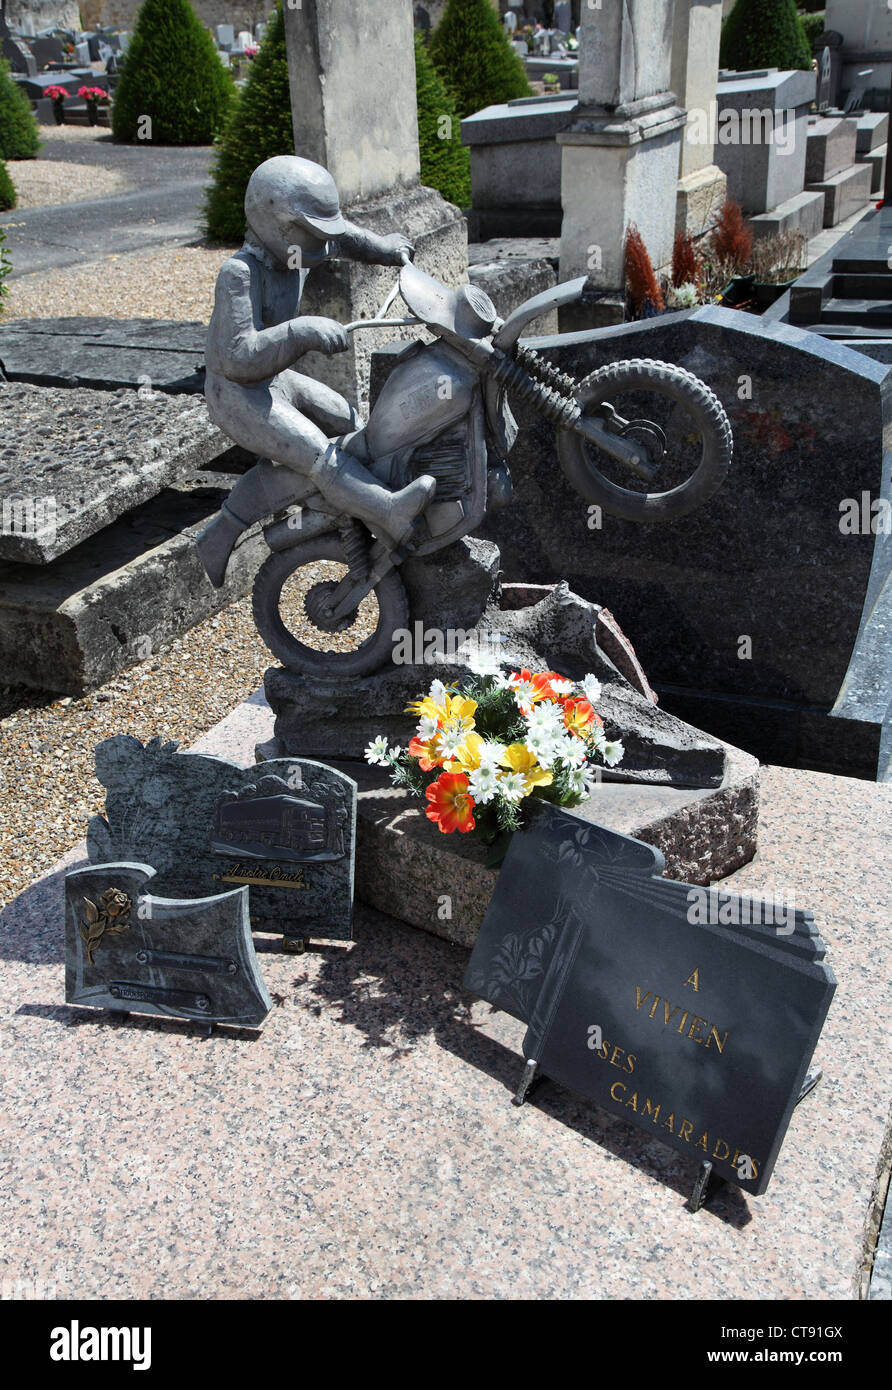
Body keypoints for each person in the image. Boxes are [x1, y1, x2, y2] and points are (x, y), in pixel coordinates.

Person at [198, 155, 436, 587]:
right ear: (276, 224)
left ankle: (228, 529)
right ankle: (388, 512)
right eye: (313, 236)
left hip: (275, 381)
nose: (325, 247)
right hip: (237, 395)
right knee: (318, 454)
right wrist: (301, 331)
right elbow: (236, 356)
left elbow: (344, 237)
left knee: (347, 420)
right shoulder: (239, 273)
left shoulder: (296, 253)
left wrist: (384, 250)